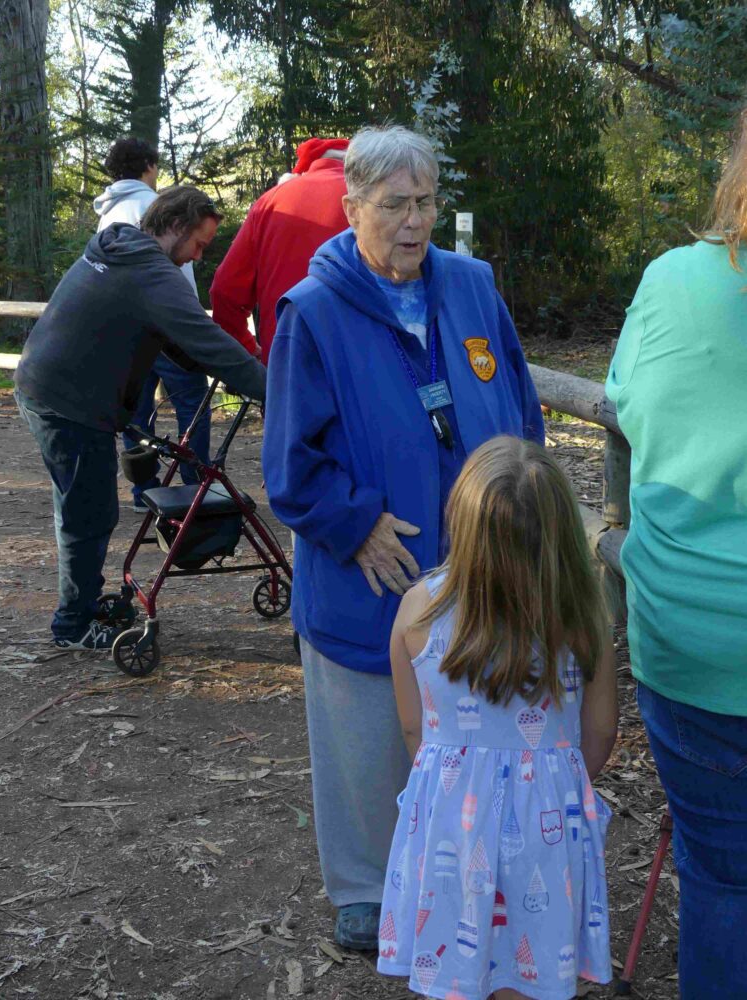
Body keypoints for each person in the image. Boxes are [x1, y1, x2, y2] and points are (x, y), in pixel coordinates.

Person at [262, 125, 544, 950]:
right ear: (352, 208)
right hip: (370, 566)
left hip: (479, 556)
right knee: (364, 726)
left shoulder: (471, 285)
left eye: (425, 202)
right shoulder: (312, 314)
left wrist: (517, 503)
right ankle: (364, 886)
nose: (414, 221)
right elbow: (289, 462)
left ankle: (466, 868)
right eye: (394, 205)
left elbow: (519, 405)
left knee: (472, 723)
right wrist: (352, 524)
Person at [378, 435, 618, 1000]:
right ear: (560, 532)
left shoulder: (418, 609)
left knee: (458, 958)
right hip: (547, 822)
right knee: (532, 961)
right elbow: (601, 736)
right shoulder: (584, 620)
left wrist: (455, 783)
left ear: (461, 521)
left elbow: (415, 731)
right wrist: (551, 778)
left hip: (451, 822)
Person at [605, 112, 747, 1000]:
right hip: (695, 642)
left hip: (690, 638)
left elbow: (627, 394)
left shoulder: (673, 280)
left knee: (723, 877)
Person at [15, 186, 266, 651]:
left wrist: (205, 362)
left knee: (85, 507)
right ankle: (73, 624)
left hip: (45, 385)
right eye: (199, 244)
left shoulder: (118, 246)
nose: (195, 257)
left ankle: (84, 602)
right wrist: (277, 390)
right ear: (174, 226)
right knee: (87, 512)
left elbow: (170, 337)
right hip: (69, 402)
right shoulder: (154, 274)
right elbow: (208, 341)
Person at [95, 137, 212, 510]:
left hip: (125, 328)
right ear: (148, 165)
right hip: (165, 327)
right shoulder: (156, 206)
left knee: (138, 407)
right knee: (192, 402)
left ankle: (143, 489)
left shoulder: (108, 212)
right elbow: (179, 273)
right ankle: (196, 483)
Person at [209, 136, 349, 363]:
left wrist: (249, 349)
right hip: (364, 362)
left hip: (285, 361)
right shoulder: (378, 197)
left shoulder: (270, 201)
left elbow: (224, 291)